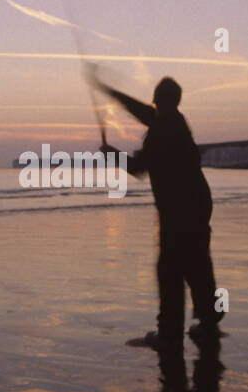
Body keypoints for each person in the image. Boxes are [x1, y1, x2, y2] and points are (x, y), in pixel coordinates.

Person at [88, 68, 222, 349]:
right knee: (198, 262)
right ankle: (209, 323)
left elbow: (138, 169)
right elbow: (141, 111)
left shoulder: (161, 131)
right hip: (198, 204)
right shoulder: (175, 120)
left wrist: (111, 154)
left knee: (170, 269)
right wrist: (110, 93)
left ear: (158, 101)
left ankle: (170, 334)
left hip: (178, 210)